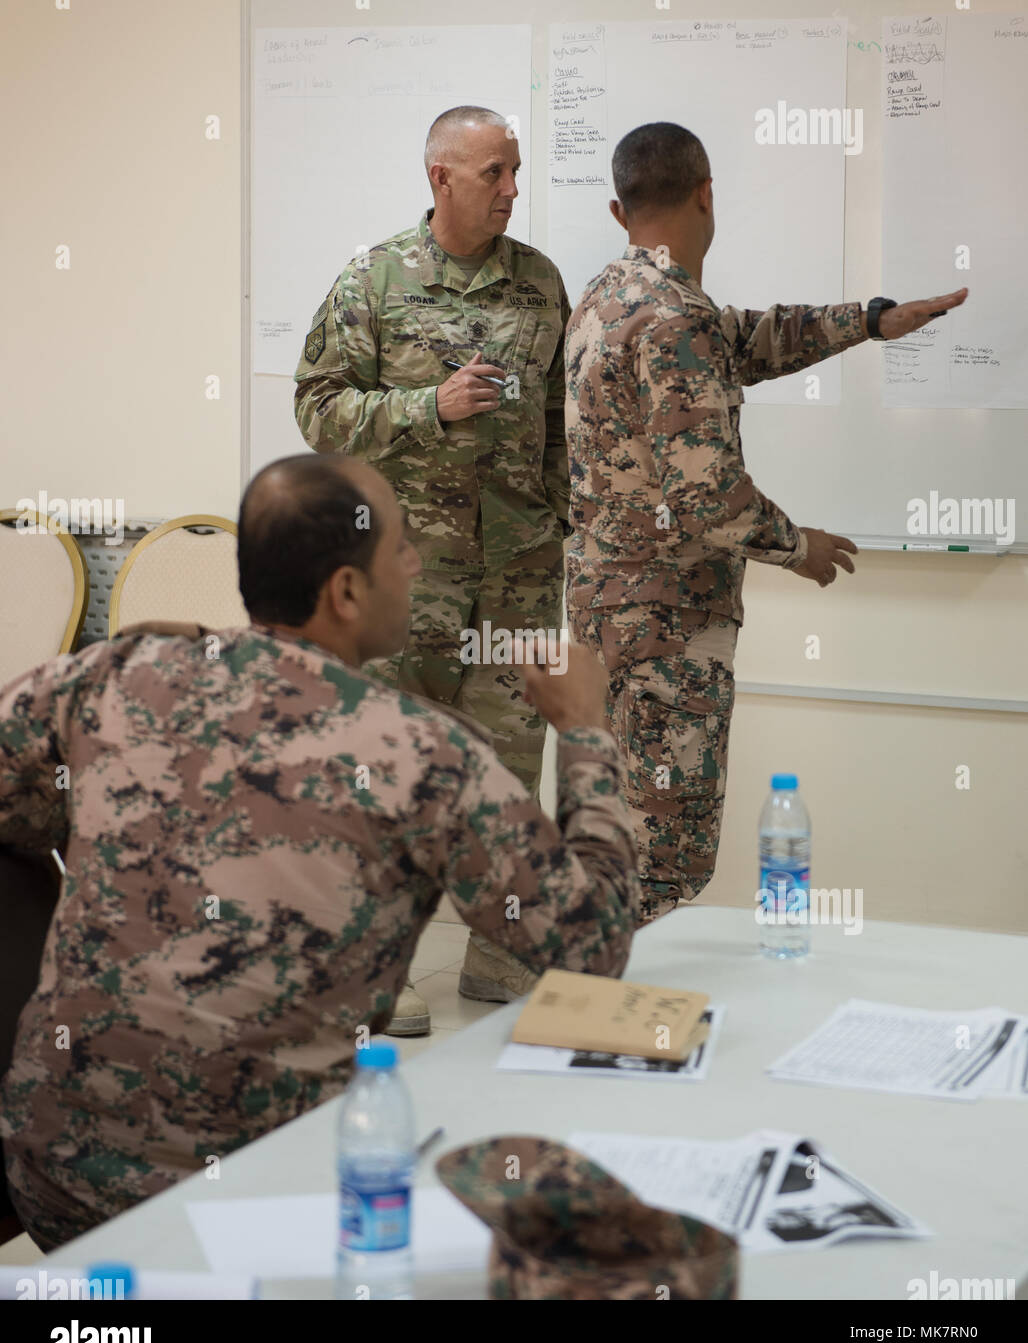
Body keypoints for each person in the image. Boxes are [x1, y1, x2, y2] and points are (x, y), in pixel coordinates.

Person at [0, 454, 638, 1253]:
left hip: (51, 1177)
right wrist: (585, 731)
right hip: (257, 1203)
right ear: (345, 591)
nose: (415, 566)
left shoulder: (108, 677)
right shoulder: (423, 752)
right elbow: (592, 944)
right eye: (402, 548)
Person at [565, 121, 967, 924]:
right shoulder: (676, 317)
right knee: (665, 859)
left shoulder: (608, 302)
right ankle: (613, 1032)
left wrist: (872, 319)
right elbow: (709, 493)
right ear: (708, 194)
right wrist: (800, 548)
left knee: (610, 842)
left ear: (619, 210)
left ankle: (586, 1014)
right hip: (667, 634)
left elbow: (749, 337)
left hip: (599, 621)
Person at [294, 106, 572, 1031]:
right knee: (389, 772)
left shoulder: (540, 284)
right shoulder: (371, 283)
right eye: (494, 172)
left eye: (516, 171)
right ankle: (384, 970)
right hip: (407, 579)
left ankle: (497, 960)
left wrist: (566, 524)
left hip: (520, 574)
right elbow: (318, 410)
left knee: (509, 767)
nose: (511, 190)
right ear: (440, 178)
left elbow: (563, 425)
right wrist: (428, 407)